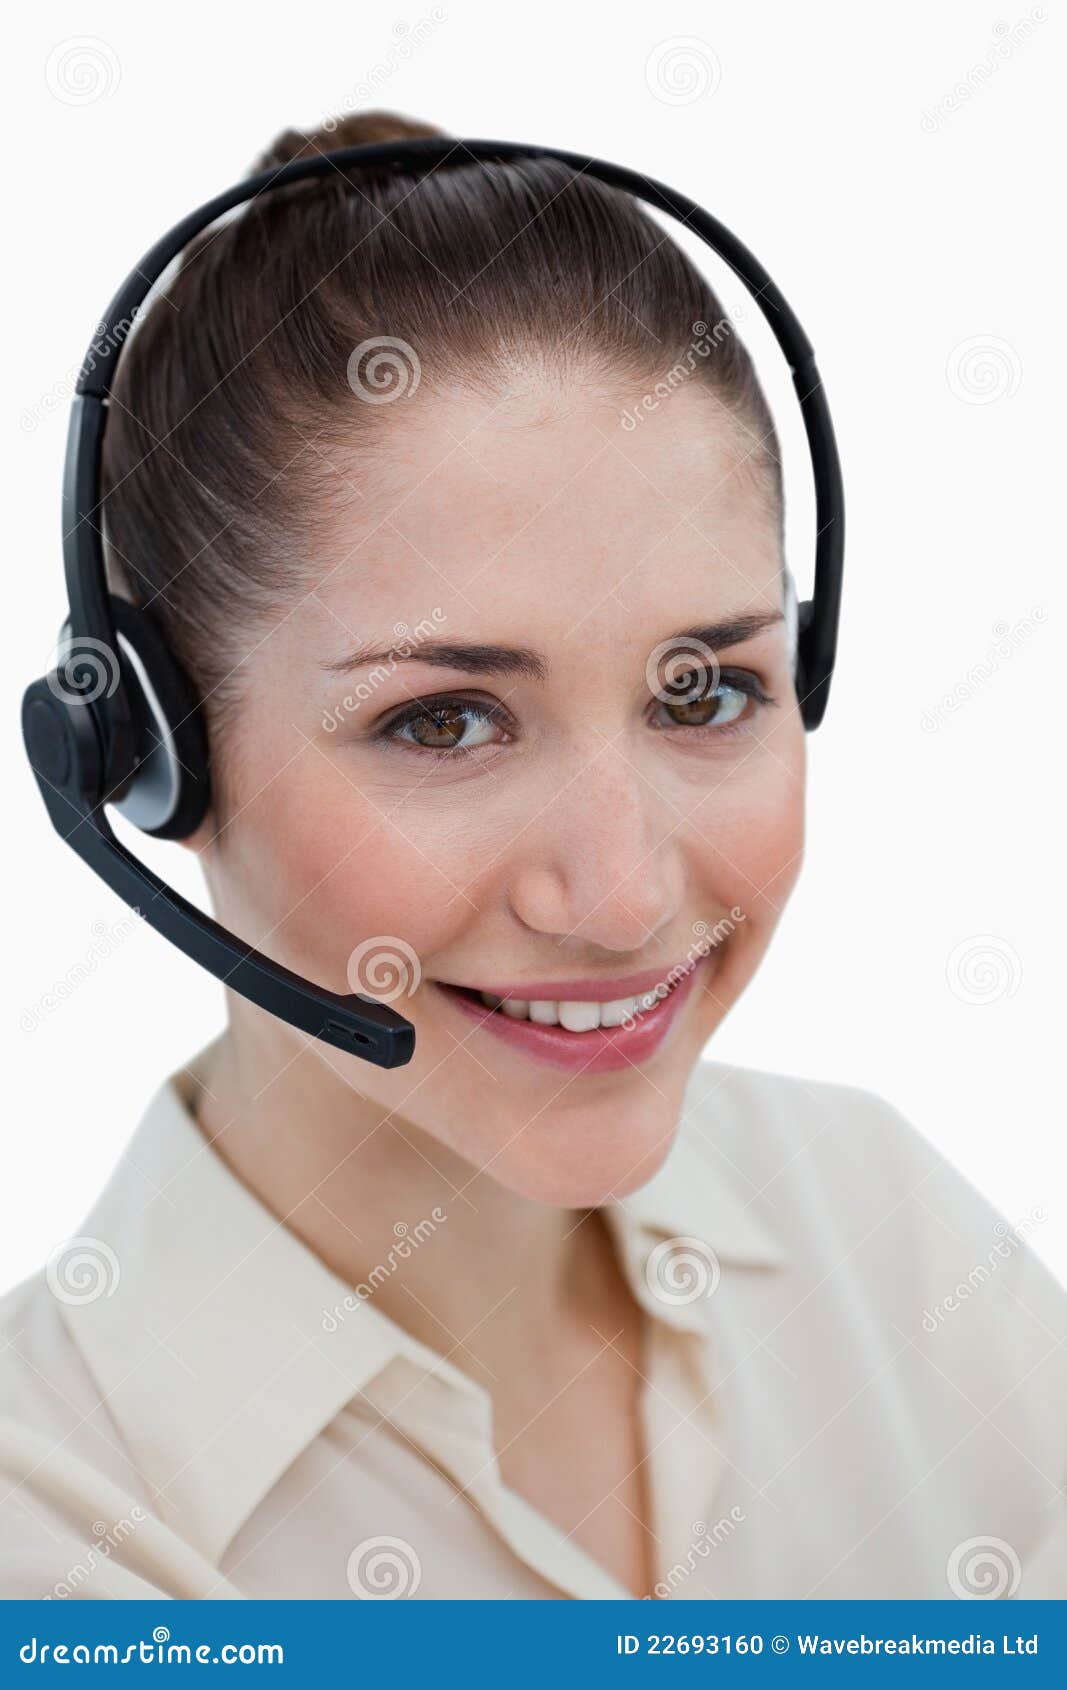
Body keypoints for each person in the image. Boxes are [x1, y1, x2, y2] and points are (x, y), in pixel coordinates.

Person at [2, 109, 1064, 1602]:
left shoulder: (873, 1212)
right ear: (149, 755)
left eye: (705, 688)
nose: (624, 894)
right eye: (444, 723)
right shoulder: (52, 1528)